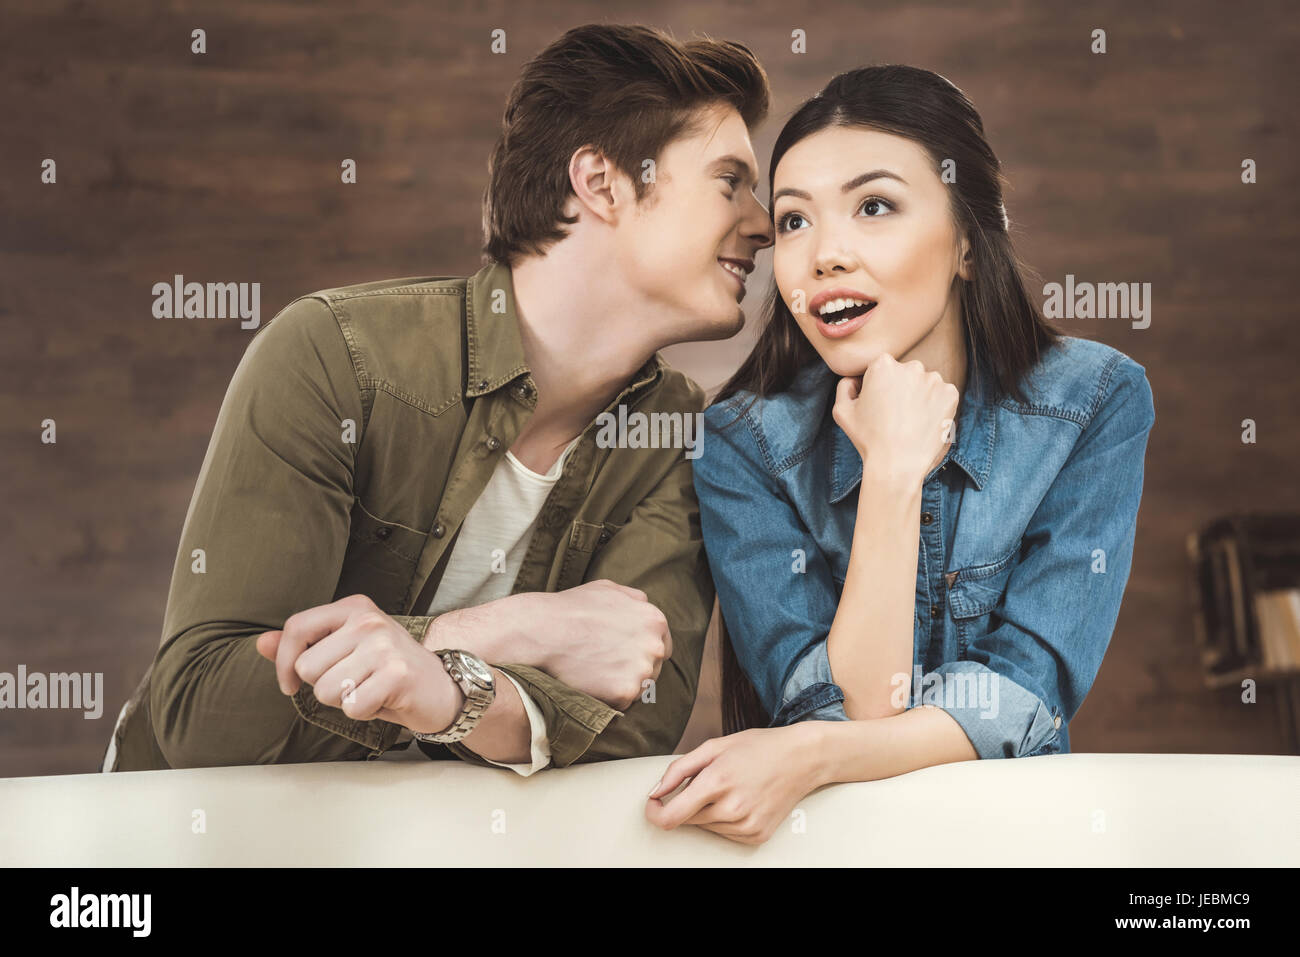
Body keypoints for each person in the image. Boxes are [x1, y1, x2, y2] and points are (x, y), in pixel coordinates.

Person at [104, 23, 774, 773]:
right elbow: (208, 715)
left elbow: (631, 724)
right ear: (603, 182)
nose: (765, 224)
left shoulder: (679, 432)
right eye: (729, 182)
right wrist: (508, 632)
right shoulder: (335, 358)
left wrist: (446, 688)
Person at [647, 65, 1155, 844]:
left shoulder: (1093, 402)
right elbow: (853, 710)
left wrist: (814, 749)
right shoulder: (741, 444)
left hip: (1017, 840)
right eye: (793, 221)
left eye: (874, 206)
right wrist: (891, 474)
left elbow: (1024, 694)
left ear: (967, 245)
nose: (823, 256)